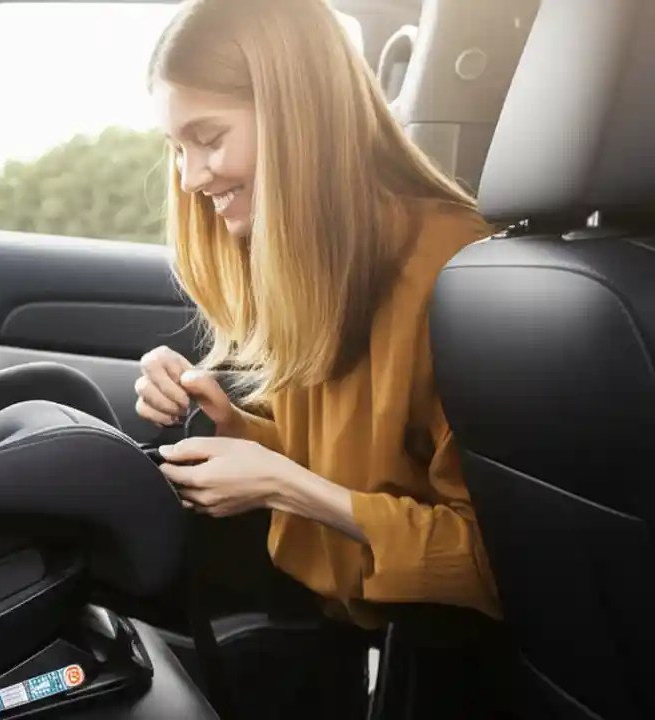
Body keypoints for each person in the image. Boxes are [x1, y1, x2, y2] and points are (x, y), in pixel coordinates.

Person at [137, 0, 503, 714]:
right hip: (356, 636)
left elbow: (496, 562)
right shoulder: (306, 260)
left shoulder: (452, 268)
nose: (188, 177)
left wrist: (283, 486)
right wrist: (239, 432)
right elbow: (363, 462)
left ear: (296, 111)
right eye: (176, 149)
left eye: (207, 138)